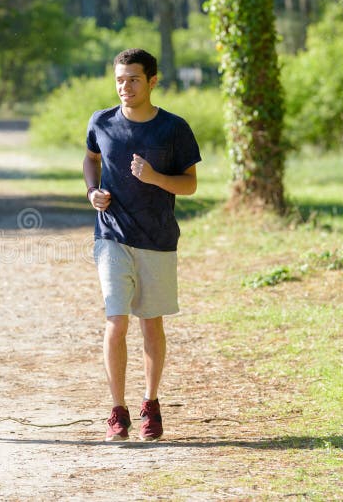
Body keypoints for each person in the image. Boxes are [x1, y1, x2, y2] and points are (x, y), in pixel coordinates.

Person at [83, 48, 201, 442]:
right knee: (116, 322)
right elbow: (90, 158)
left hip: (158, 239)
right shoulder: (101, 121)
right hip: (112, 236)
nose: (125, 87)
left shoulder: (173, 128)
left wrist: (154, 177)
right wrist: (92, 192)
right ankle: (117, 409)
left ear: (152, 81)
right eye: (119, 79)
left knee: (152, 324)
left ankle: (151, 403)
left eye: (133, 79)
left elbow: (190, 183)